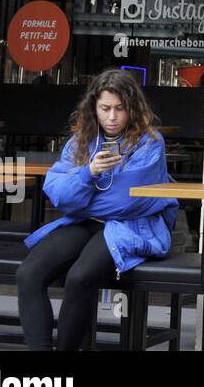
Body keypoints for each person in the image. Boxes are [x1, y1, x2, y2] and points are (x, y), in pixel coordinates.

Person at [16, 69, 180, 351]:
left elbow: (129, 202)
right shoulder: (80, 141)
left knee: (80, 277)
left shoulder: (150, 142)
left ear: (133, 108)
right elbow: (57, 193)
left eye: (120, 109)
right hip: (86, 221)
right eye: (105, 108)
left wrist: (81, 193)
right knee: (28, 273)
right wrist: (87, 174)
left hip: (131, 225)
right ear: (94, 107)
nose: (112, 117)